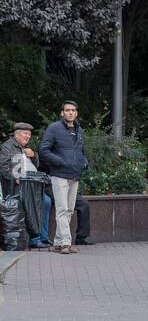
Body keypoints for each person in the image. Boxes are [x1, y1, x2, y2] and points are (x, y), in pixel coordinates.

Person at [38, 101, 87, 254]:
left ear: (76, 113)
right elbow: (43, 150)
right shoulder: (54, 128)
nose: (70, 113)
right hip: (59, 175)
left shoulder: (79, 130)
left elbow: (81, 151)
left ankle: (59, 242)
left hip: (74, 175)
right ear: (62, 113)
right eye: (67, 110)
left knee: (70, 210)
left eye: (73, 110)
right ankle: (66, 243)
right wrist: (59, 162)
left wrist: (84, 163)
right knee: (62, 209)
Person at [0, 123, 52, 249]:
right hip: (16, 188)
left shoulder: (26, 148)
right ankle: (35, 239)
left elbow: (35, 166)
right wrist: (15, 179)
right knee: (36, 203)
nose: (28, 136)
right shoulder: (7, 147)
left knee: (47, 201)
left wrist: (34, 155)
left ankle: (43, 237)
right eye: (25, 133)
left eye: (29, 134)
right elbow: (3, 167)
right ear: (17, 134)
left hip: (32, 186)